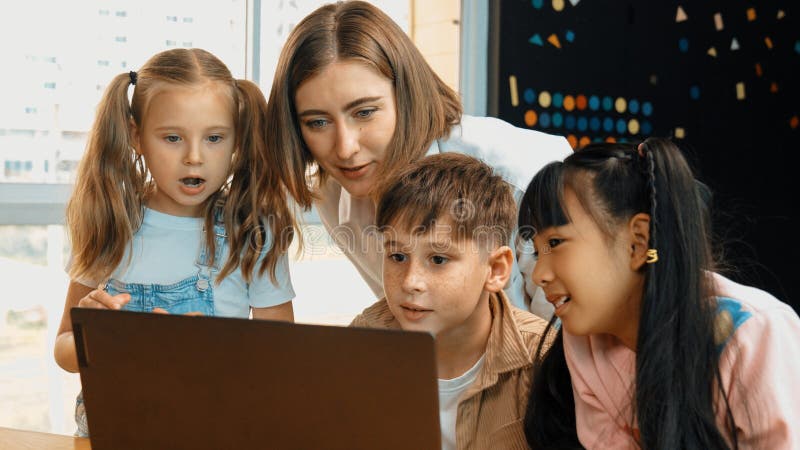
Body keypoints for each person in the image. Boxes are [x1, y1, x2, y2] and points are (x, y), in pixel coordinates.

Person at [265, 0, 571, 317]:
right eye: (318, 122)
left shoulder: (528, 175)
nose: (345, 148)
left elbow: (569, 343)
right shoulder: (333, 195)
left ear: (406, 95)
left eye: (365, 112)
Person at [53, 48, 297, 436]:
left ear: (236, 139)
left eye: (215, 138)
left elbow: (281, 357)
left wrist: (217, 347)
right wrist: (94, 333)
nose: (195, 157)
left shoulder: (252, 232)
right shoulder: (111, 223)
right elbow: (64, 350)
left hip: (216, 430)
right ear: (136, 136)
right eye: (172, 138)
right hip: (116, 430)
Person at [521, 138, 800, 449]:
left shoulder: (755, 334)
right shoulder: (583, 342)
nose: (539, 274)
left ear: (639, 242)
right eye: (536, 252)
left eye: (556, 243)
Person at [350, 153, 549, 449]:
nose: (410, 282)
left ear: (495, 270)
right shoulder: (360, 343)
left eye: (439, 259)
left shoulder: (543, 361)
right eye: (397, 256)